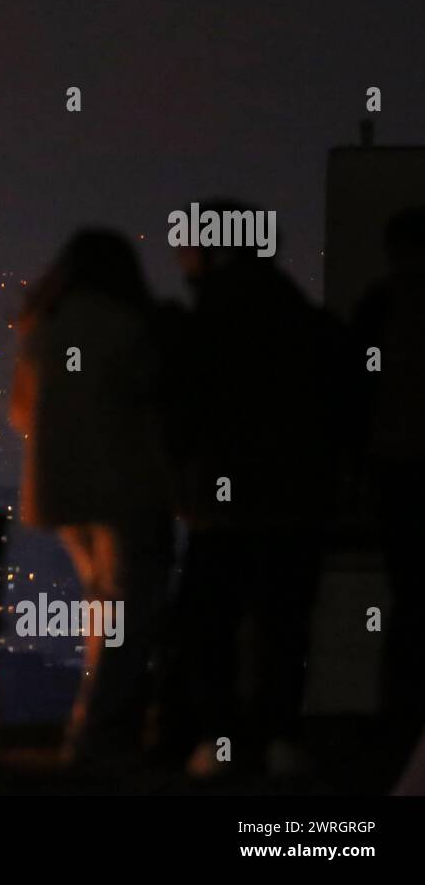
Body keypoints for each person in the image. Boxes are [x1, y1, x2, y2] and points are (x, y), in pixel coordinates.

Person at [160, 200, 337, 778]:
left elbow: (182, 414)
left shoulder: (208, 322)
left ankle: (216, 740)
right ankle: (279, 734)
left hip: (222, 508)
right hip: (296, 501)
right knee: (283, 625)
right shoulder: (301, 316)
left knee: (212, 625)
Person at [10, 228, 174, 767]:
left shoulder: (43, 330)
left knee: (102, 612)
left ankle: (94, 735)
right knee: (127, 613)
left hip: (65, 496)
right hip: (129, 493)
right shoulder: (130, 326)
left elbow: (20, 412)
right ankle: (100, 735)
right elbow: (155, 404)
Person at [351, 206, 425, 762]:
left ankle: (398, 725)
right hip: (398, 469)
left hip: (396, 472)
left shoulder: (381, 306)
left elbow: (354, 396)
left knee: (408, 603)